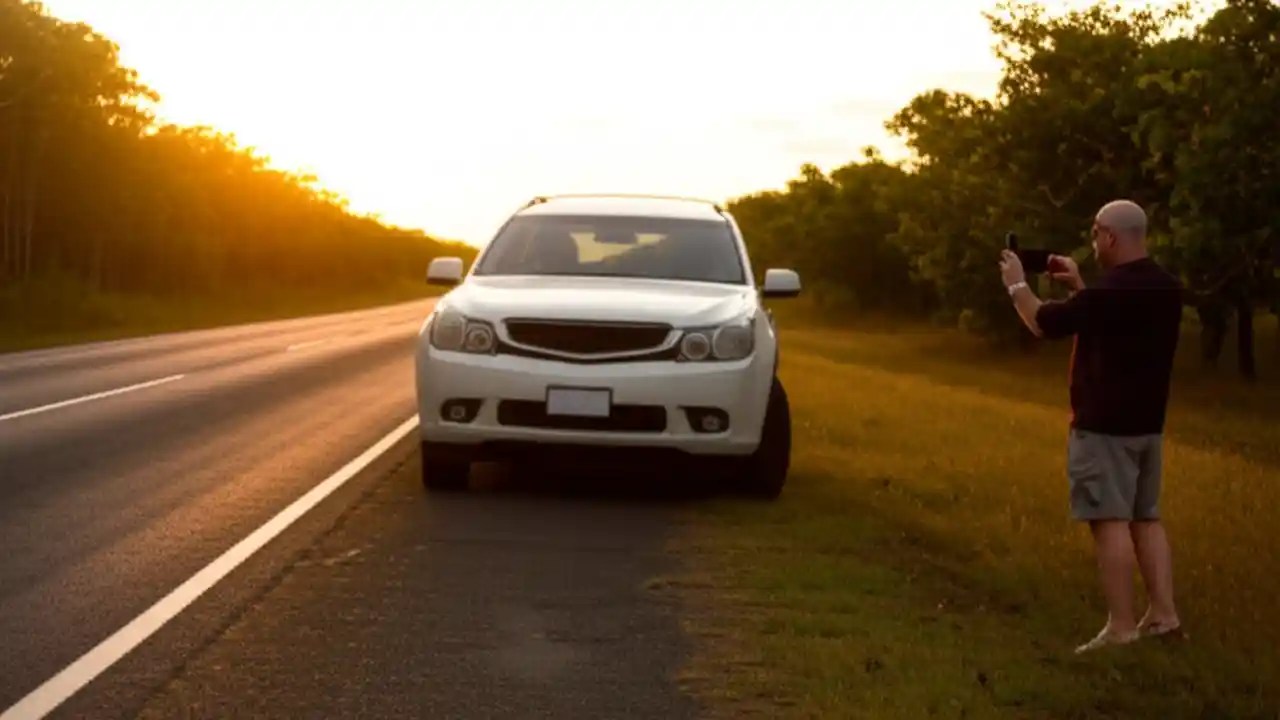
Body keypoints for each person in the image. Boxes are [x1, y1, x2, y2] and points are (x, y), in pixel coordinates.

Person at [998, 200, 1186, 654]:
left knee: (1109, 523)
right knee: (1146, 517)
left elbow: (1043, 323)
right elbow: (1112, 322)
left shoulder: (1111, 293)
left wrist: (1017, 283)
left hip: (1104, 427)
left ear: (1110, 237)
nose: (1092, 240)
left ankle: (1121, 626)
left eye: (1095, 232)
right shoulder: (1165, 287)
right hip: (1148, 426)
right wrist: (1081, 285)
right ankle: (1164, 615)